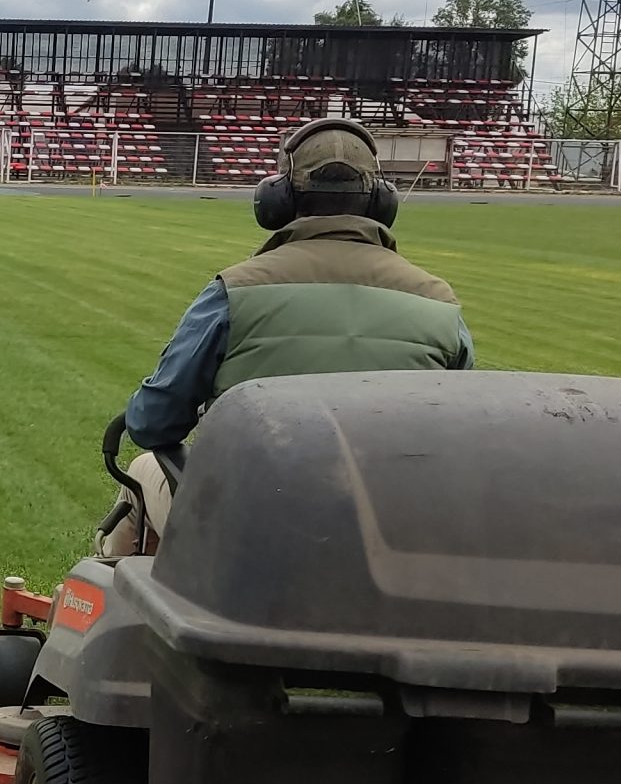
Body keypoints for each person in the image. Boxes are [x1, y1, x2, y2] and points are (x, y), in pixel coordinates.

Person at [111, 117, 473, 551]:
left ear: (278, 199)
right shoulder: (440, 304)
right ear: (380, 202)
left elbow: (153, 424)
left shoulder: (233, 293)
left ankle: (118, 613)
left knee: (143, 472)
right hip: (393, 533)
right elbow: (460, 435)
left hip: (248, 530)